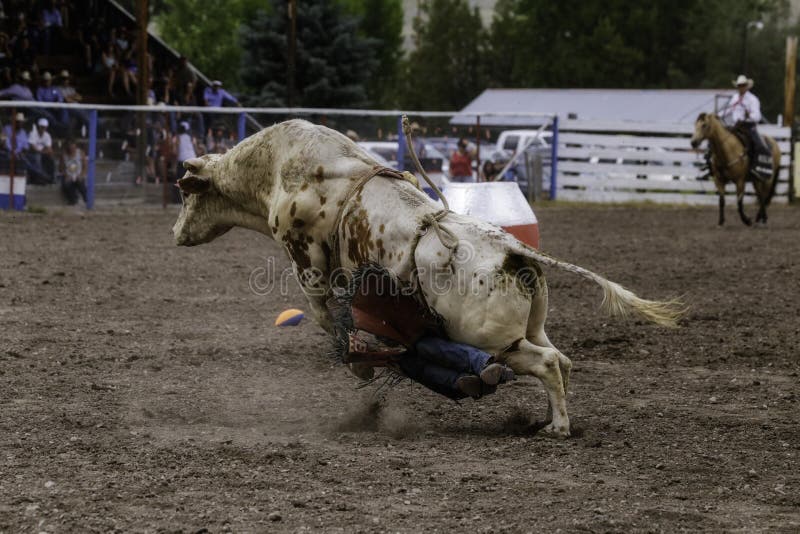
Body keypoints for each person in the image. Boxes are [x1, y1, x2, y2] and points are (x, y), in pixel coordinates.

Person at [724, 75, 771, 179]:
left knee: (758, 145)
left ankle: (755, 167)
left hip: (748, 126)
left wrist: (749, 115)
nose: (741, 87)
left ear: (746, 86)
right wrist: (718, 115)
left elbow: (757, 117)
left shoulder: (753, 99)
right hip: (736, 126)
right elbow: (728, 110)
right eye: (739, 85)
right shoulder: (734, 98)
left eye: (743, 85)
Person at [60, 138, 87, 205]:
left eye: (73, 146)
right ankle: (73, 200)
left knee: (81, 183)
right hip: (69, 175)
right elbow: (61, 168)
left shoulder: (80, 153)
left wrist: (81, 175)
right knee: (66, 184)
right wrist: (66, 175)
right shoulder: (64, 155)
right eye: (70, 146)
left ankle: (86, 199)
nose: (71, 148)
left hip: (78, 174)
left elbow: (85, 166)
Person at [27, 117, 55, 184]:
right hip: (32, 154)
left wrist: (42, 151)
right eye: (42, 127)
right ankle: (40, 178)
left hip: (42, 153)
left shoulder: (47, 135)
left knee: (51, 157)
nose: (43, 128)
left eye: (44, 127)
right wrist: (43, 150)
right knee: (37, 157)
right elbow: (32, 147)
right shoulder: (32, 134)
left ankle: (52, 177)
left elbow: (49, 149)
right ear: (39, 126)